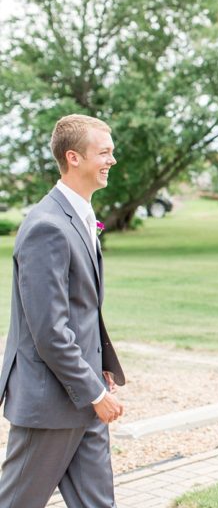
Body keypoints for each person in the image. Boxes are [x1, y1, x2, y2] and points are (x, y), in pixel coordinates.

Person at [0, 114, 126, 507]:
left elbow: (82, 310)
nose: (112, 160)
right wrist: (92, 392)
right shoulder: (47, 226)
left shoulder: (81, 217)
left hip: (84, 402)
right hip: (50, 403)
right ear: (74, 157)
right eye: (104, 152)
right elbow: (49, 330)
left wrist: (100, 368)